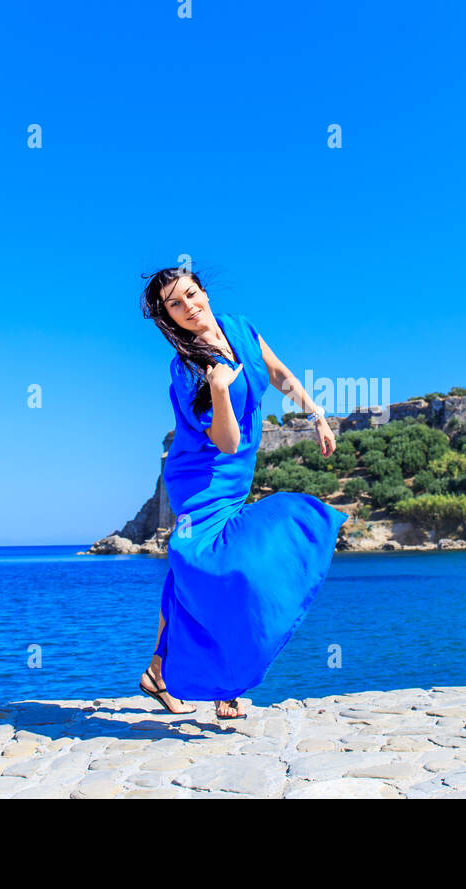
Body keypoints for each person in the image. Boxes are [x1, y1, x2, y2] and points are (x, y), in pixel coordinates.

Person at [136, 267, 347, 720]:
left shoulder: (238, 327)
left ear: (204, 292)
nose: (188, 307)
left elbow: (277, 373)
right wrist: (218, 390)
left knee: (191, 566)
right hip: (201, 474)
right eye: (175, 305)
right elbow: (225, 440)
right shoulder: (188, 369)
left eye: (191, 295)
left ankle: (162, 671)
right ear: (168, 317)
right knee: (208, 564)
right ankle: (221, 681)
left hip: (237, 472)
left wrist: (317, 414)